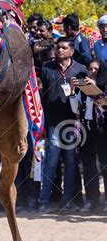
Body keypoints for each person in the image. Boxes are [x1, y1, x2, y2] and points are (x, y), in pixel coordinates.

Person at [38, 38, 87, 214]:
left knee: (71, 162)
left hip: (72, 124)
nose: (60, 50)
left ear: (72, 51)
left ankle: (68, 201)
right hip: (53, 123)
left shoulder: (81, 70)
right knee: (51, 162)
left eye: (64, 48)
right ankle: (43, 201)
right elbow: (41, 98)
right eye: (58, 47)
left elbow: (85, 98)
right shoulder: (47, 69)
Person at [69, 60, 106, 214]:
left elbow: (104, 106)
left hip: (102, 131)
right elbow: (75, 108)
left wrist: (95, 87)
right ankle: (92, 199)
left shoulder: (103, 87)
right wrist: (72, 90)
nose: (92, 72)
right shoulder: (82, 90)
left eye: (95, 69)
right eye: (90, 69)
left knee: (105, 166)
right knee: (89, 166)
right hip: (87, 130)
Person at [93, 15, 107, 90]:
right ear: (99, 29)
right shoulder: (96, 44)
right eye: (102, 27)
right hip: (100, 82)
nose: (105, 30)